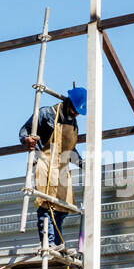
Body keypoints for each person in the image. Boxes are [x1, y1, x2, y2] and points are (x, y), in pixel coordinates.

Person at [19, 86, 86, 248]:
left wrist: (82, 163)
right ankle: (47, 243)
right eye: (74, 109)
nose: (76, 113)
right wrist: (26, 139)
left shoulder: (74, 123)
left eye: (78, 112)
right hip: (44, 162)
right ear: (68, 102)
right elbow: (24, 131)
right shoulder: (47, 113)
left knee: (62, 208)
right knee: (46, 204)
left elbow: (69, 150)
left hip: (61, 167)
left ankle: (57, 242)